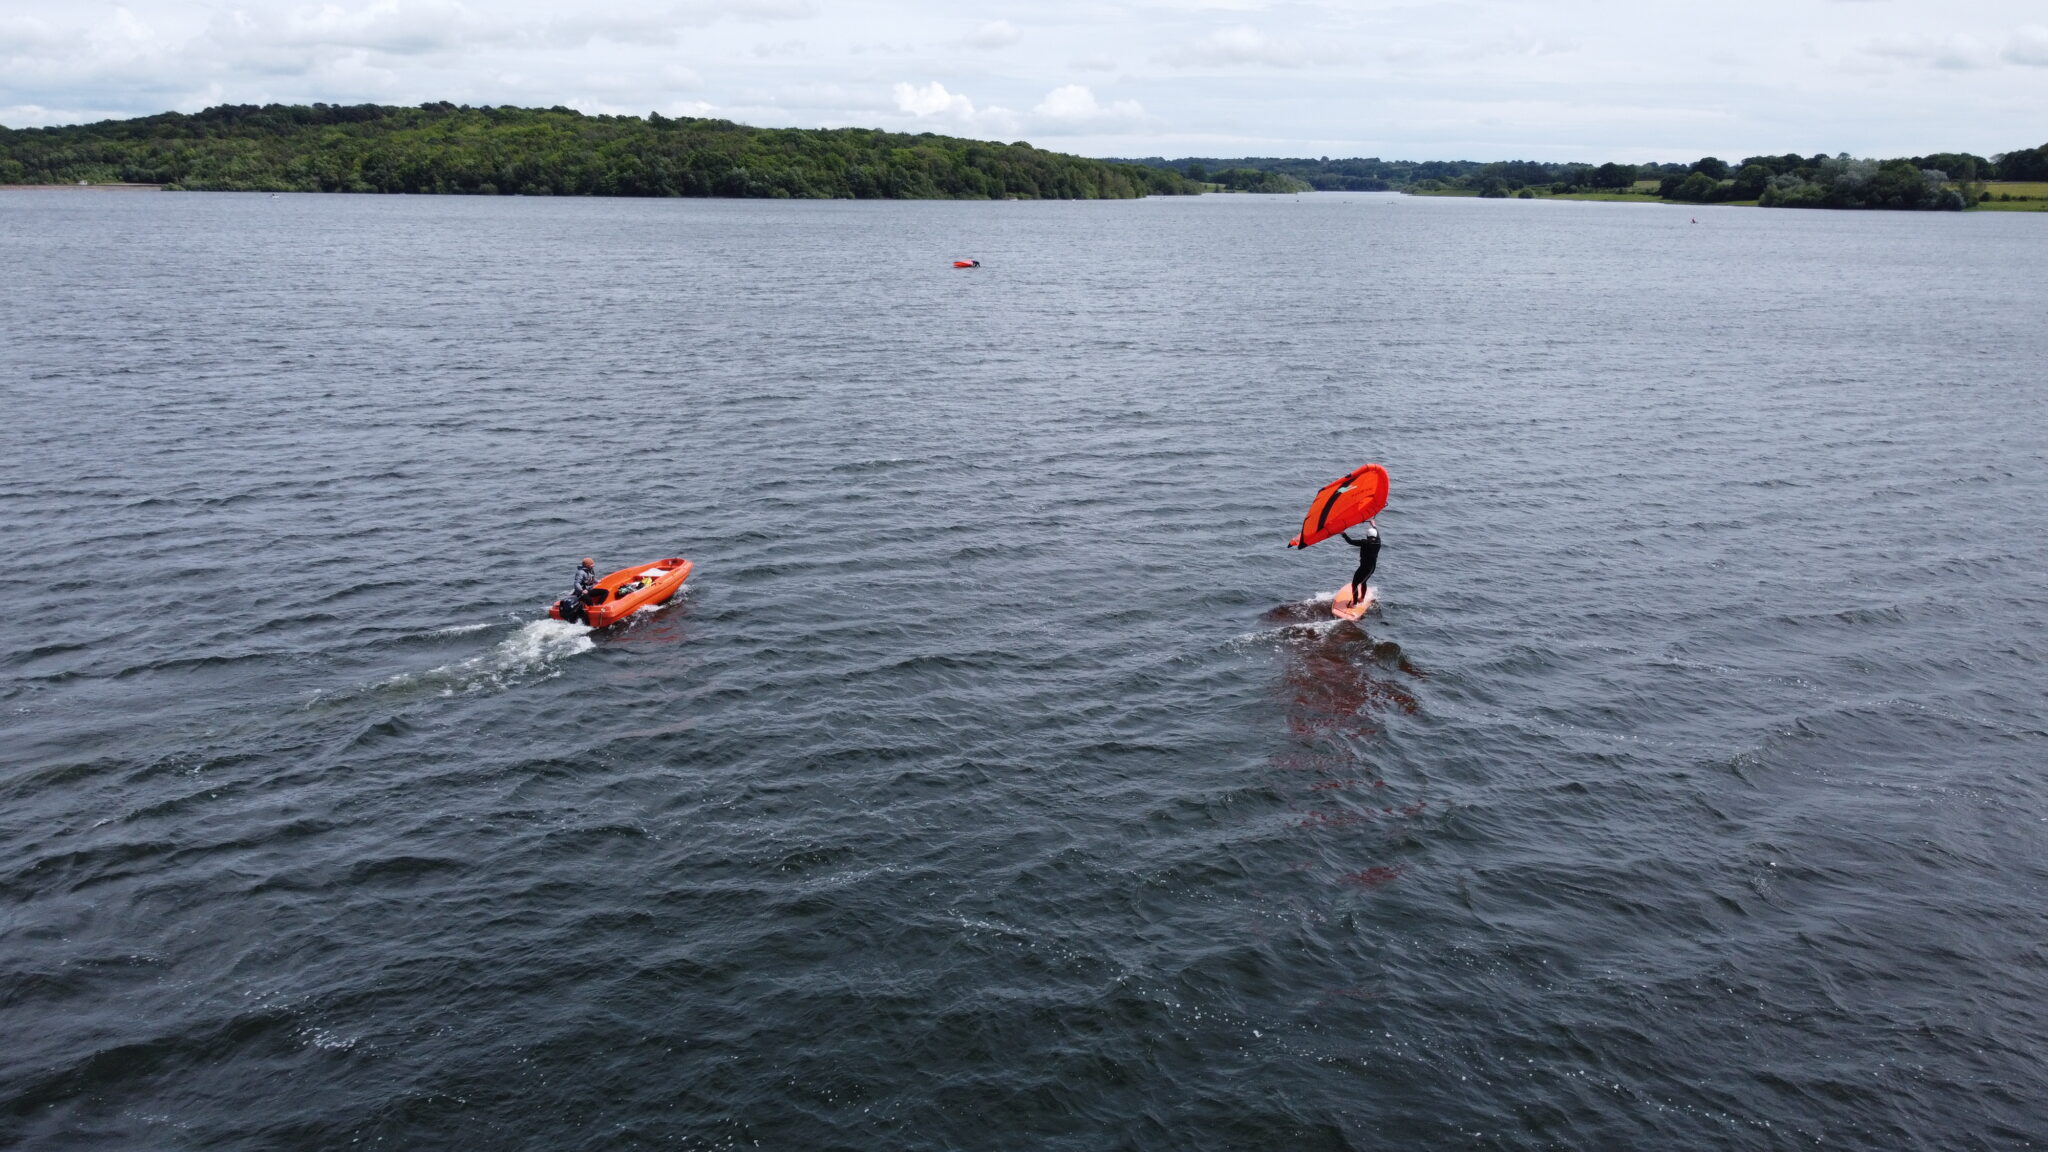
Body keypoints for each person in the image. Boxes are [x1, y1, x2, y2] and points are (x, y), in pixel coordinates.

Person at [1339, 520, 1380, 605]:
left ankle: (1354, 604)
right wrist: (1374, 525)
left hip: (1364, 568)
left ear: (1367, 536)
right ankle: (1361, 598)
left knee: (1354, 584)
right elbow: (1377, 533)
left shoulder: (1364, 542)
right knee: (1363, 582)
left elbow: (1350, 541)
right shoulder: (1378, 542)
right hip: (1372, 568)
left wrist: (1343, 534)